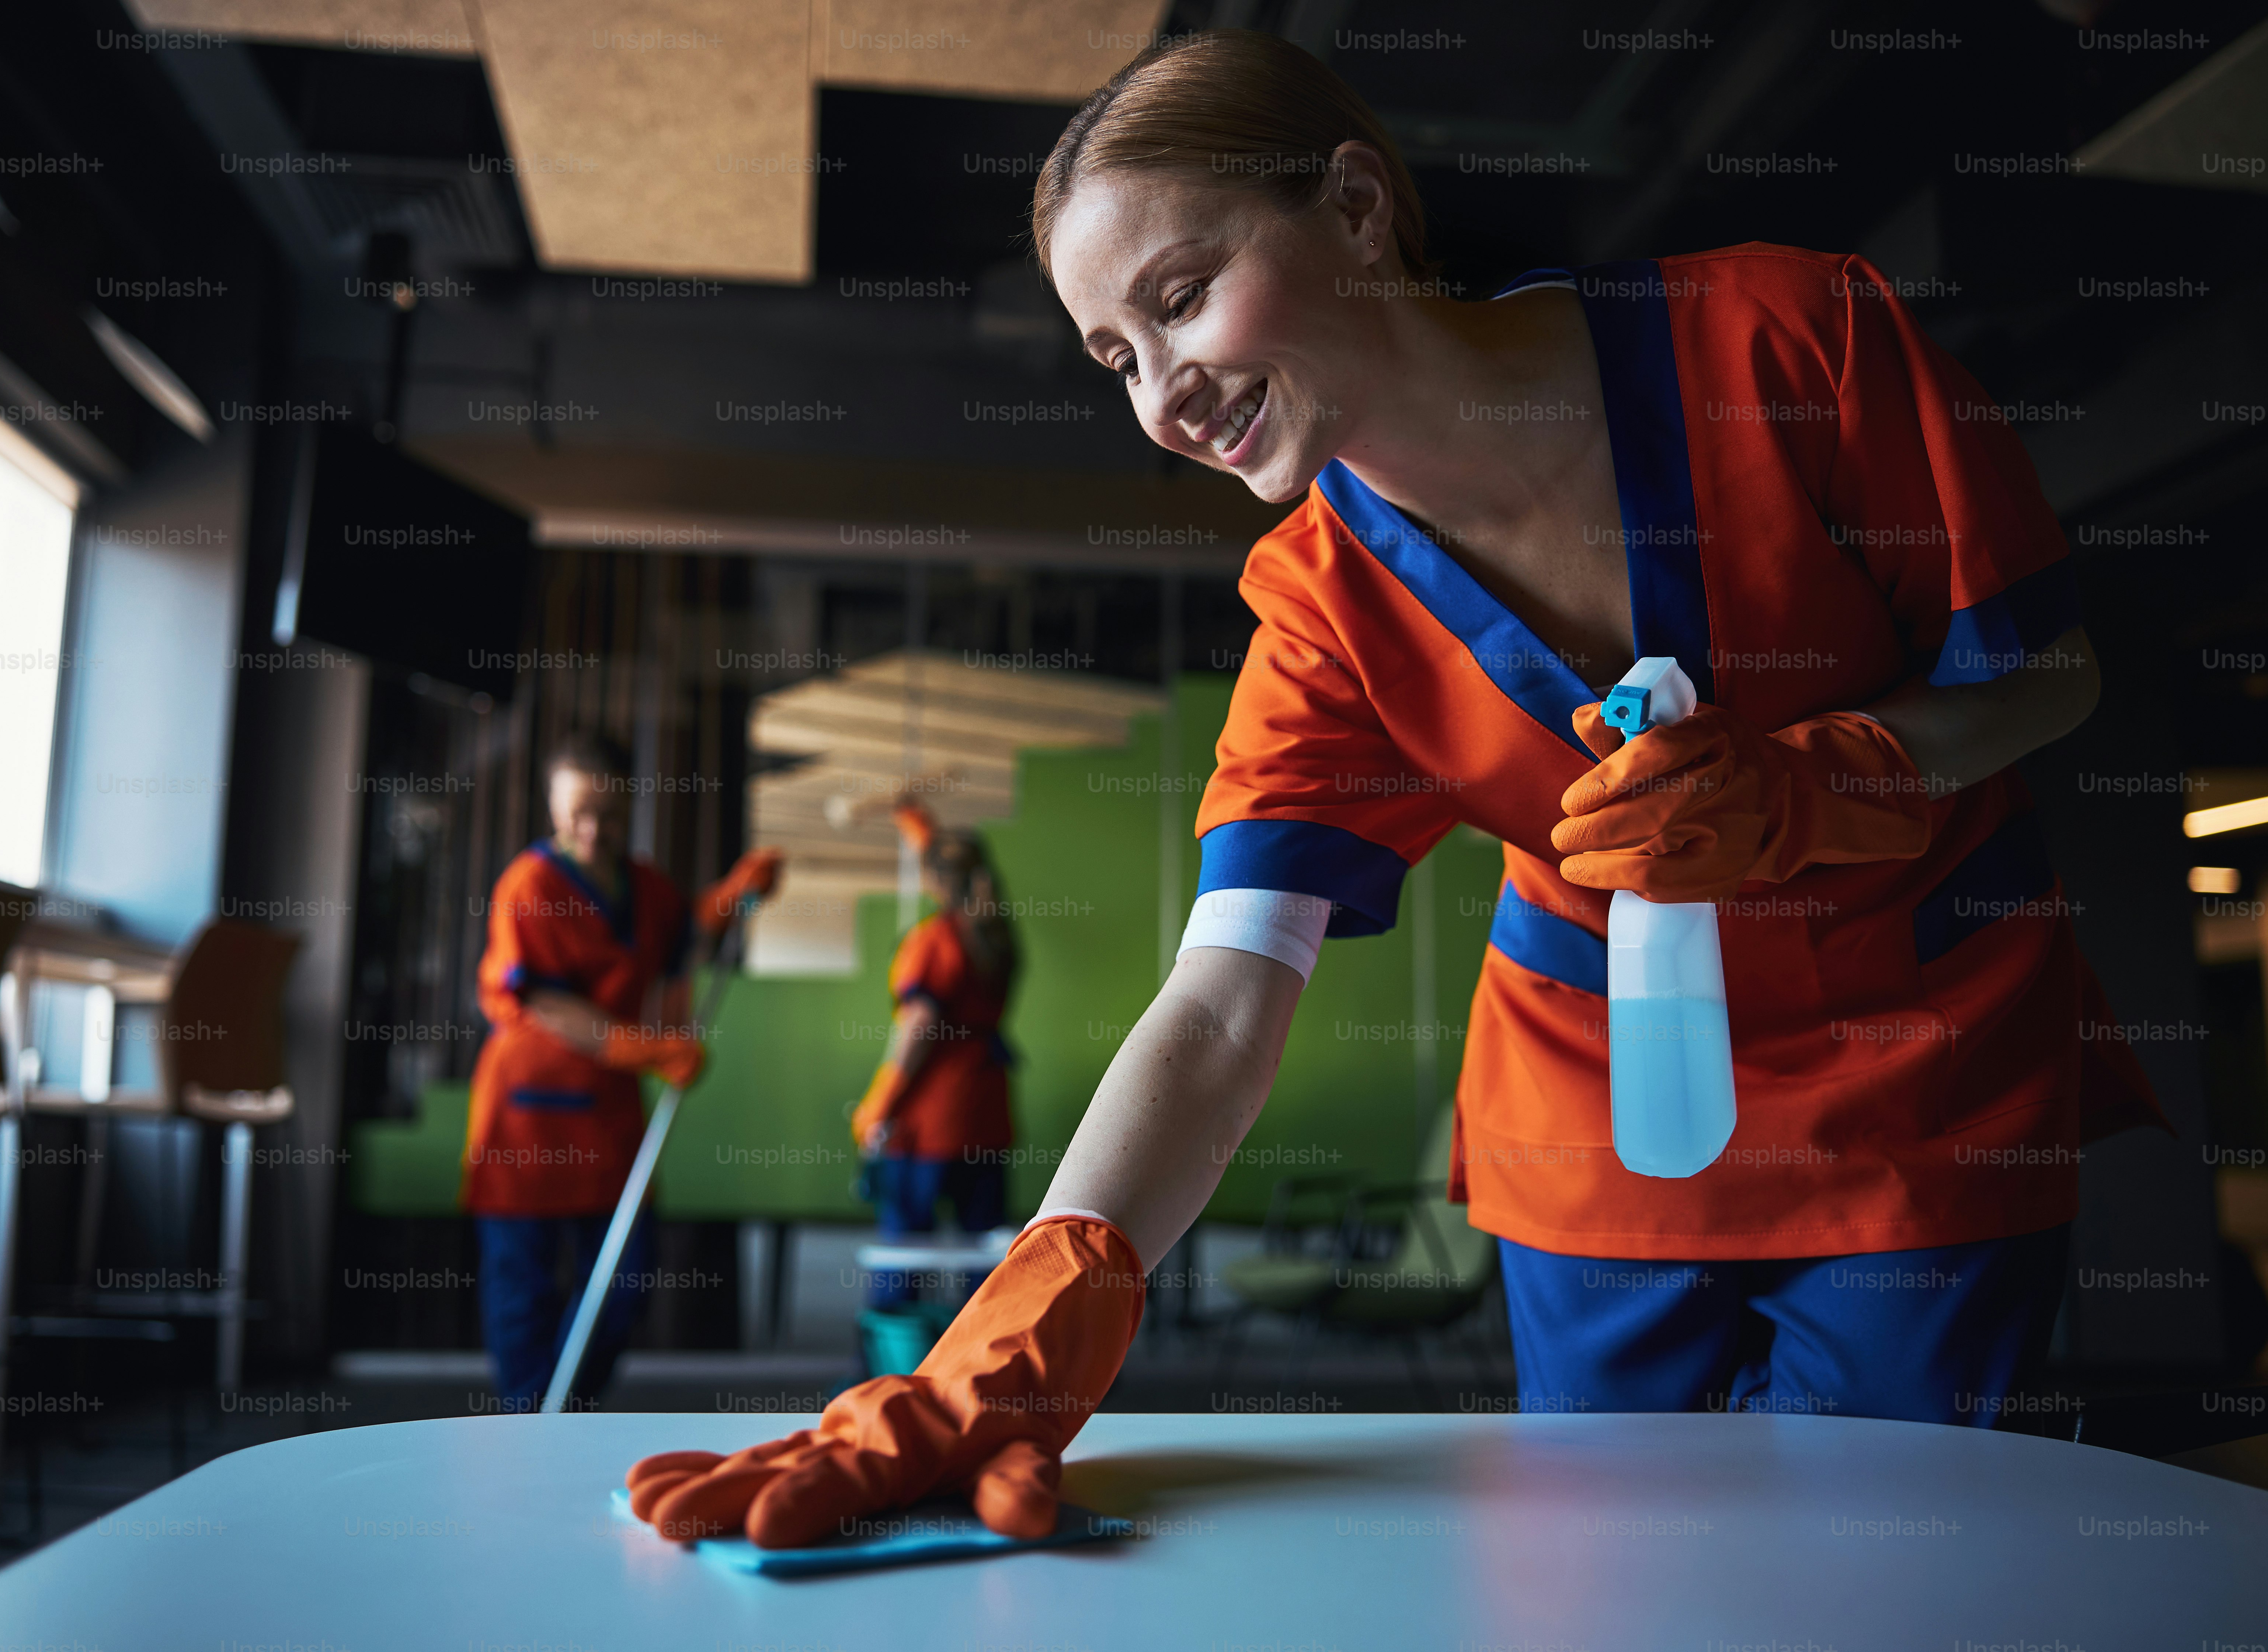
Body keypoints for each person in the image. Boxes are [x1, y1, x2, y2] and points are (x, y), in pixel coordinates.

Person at [626, 30, 2166, 1547]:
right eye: (1116, 357)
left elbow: (2049, 673)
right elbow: (1224, 1003)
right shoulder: (1321, 608)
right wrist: (1015, 1338)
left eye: (1181, 298)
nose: (1166, 394)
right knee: (1619, 1571)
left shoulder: (1788, 338)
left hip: (1925, 1081)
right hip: (1594, 1124)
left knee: (1883, 1561)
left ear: (1358, 205)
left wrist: (1828, 779)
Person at [465, 732, 779, 1410]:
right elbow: (544, 1000)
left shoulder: (644, 886)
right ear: (553, 807)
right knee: (524, 1289)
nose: (592, 830)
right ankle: (530, 1423)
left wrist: (734, 897)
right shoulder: (530, 885)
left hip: (607, 1116)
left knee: (626, 1281)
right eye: (577, 812)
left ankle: (566, 1408)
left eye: (607, 814)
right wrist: (648, 1050)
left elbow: (684, 938)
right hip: (526, 1116)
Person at [850, 802, 1019, 1305]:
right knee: (984, 1259)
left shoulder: (934, 941)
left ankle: (889, 1371)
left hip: (930, 1122)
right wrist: (927, 837)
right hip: (986, 1112)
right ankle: (983, 1370)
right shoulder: (996, 935)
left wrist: (880, 1101)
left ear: (934, 881)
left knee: (904, 1252)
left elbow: (918, 1028)